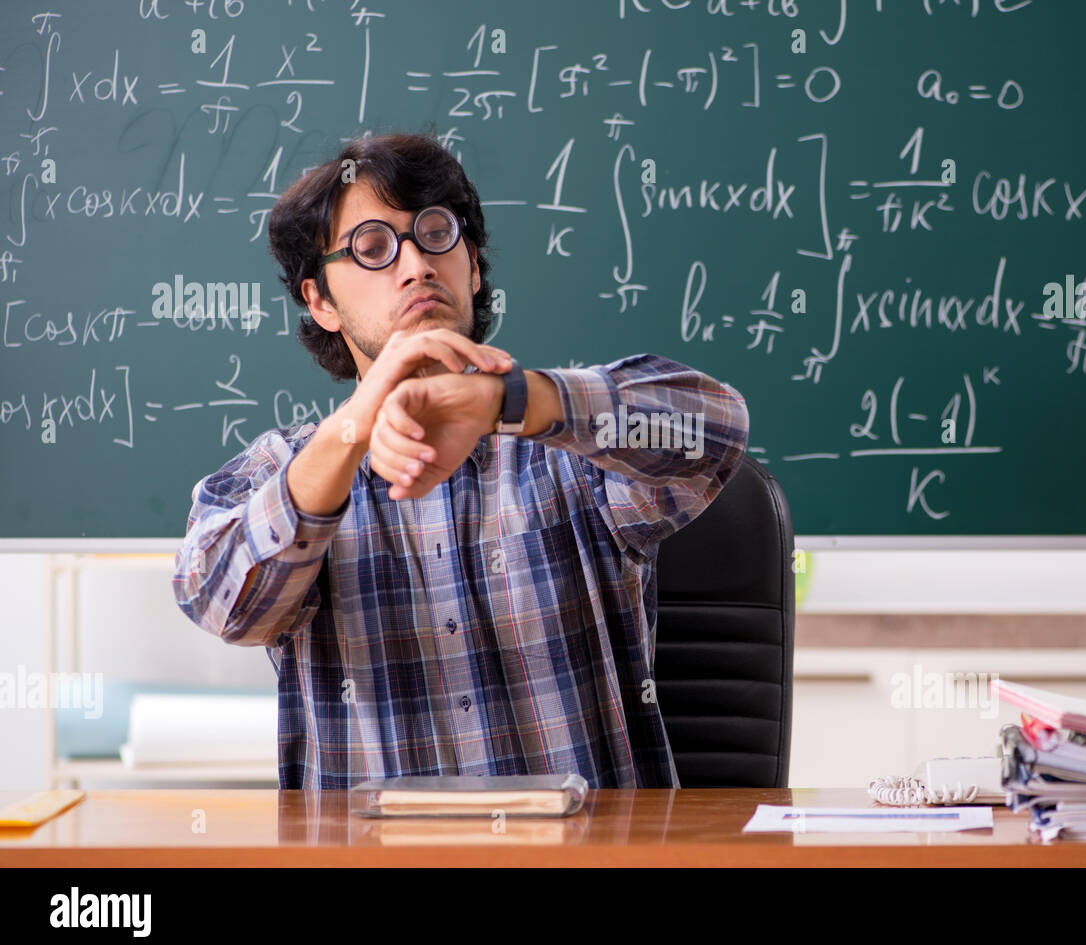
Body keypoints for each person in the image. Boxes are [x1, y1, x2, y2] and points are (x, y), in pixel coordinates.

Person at [172, 132, 750, 789]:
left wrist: (509, 399)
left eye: (436, 233)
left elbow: (717, 431)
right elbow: (222, 602)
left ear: (472, 268)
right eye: (372, 247)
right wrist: (356, 424)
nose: (415, 263)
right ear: (321, 302)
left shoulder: (567, 448)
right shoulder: (285, 468)